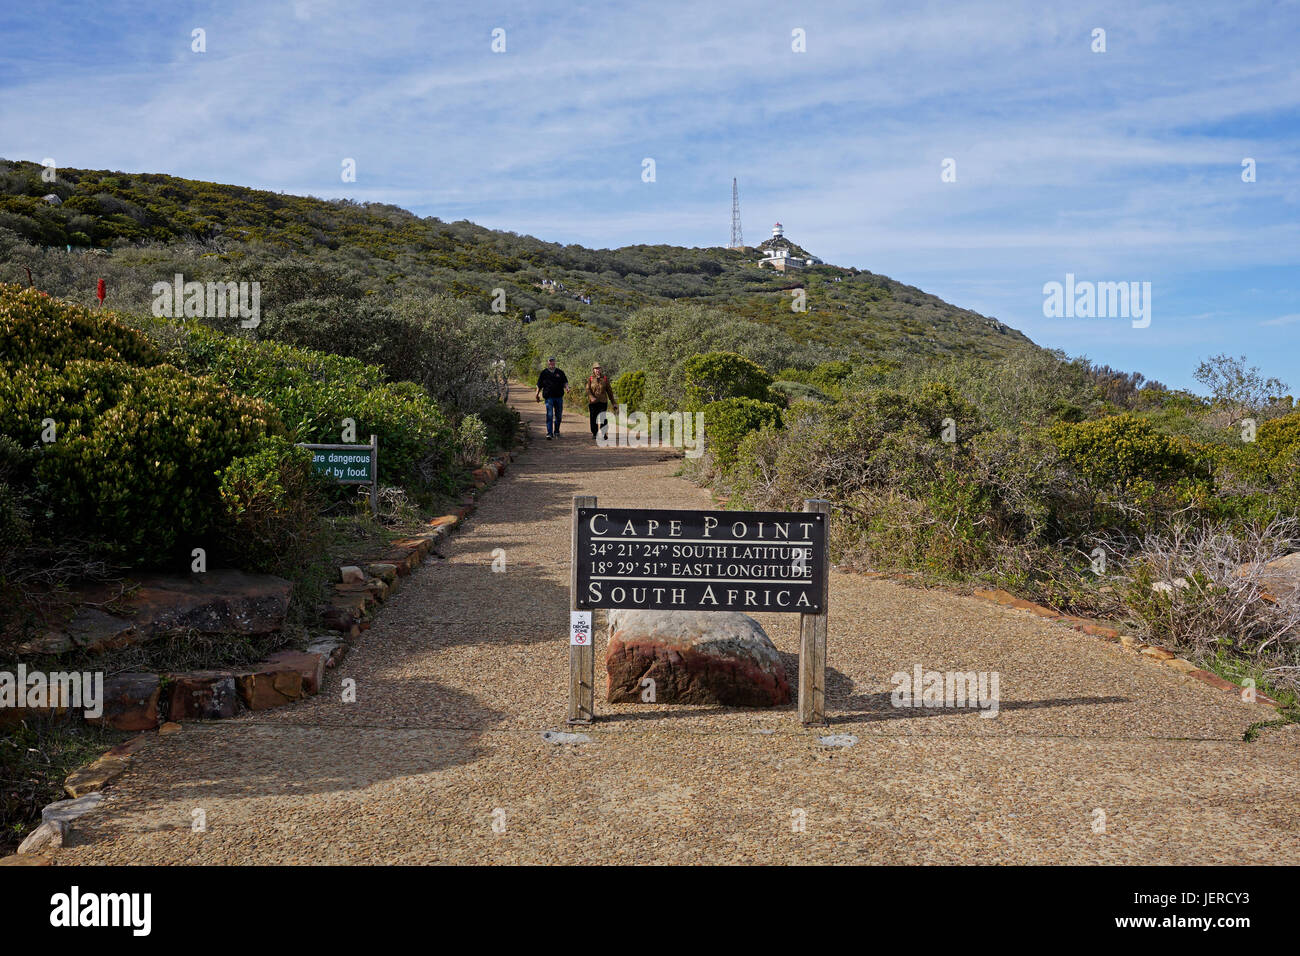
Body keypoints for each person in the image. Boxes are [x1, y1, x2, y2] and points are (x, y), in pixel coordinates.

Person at [535, 357, 568, 439]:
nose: (552, 363)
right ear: (548, 363)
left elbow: (565, 381)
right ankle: (549, 433)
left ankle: (556, 431)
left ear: (555, 362)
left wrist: (567, 388)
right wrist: (537, 394)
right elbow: (539, 385)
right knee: (549, 415)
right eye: (550, 362)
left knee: (558, 416)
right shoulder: (544, 373)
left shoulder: (560, 372)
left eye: (553, 362)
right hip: (549, 397)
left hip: (559, 397)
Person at [585, 363, 616, 443]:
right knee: (593, 418)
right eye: (596, 369)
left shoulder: (605, 379)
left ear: (600, 369)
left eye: (599, 368)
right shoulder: (590, 379)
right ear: (593, 370)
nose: (597, 370)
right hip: (593, 402)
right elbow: (588, 390)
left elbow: (609, 391)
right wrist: (591, 397)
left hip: (603, 401)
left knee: (603, 418)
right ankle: (595, 433)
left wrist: (613, 403)